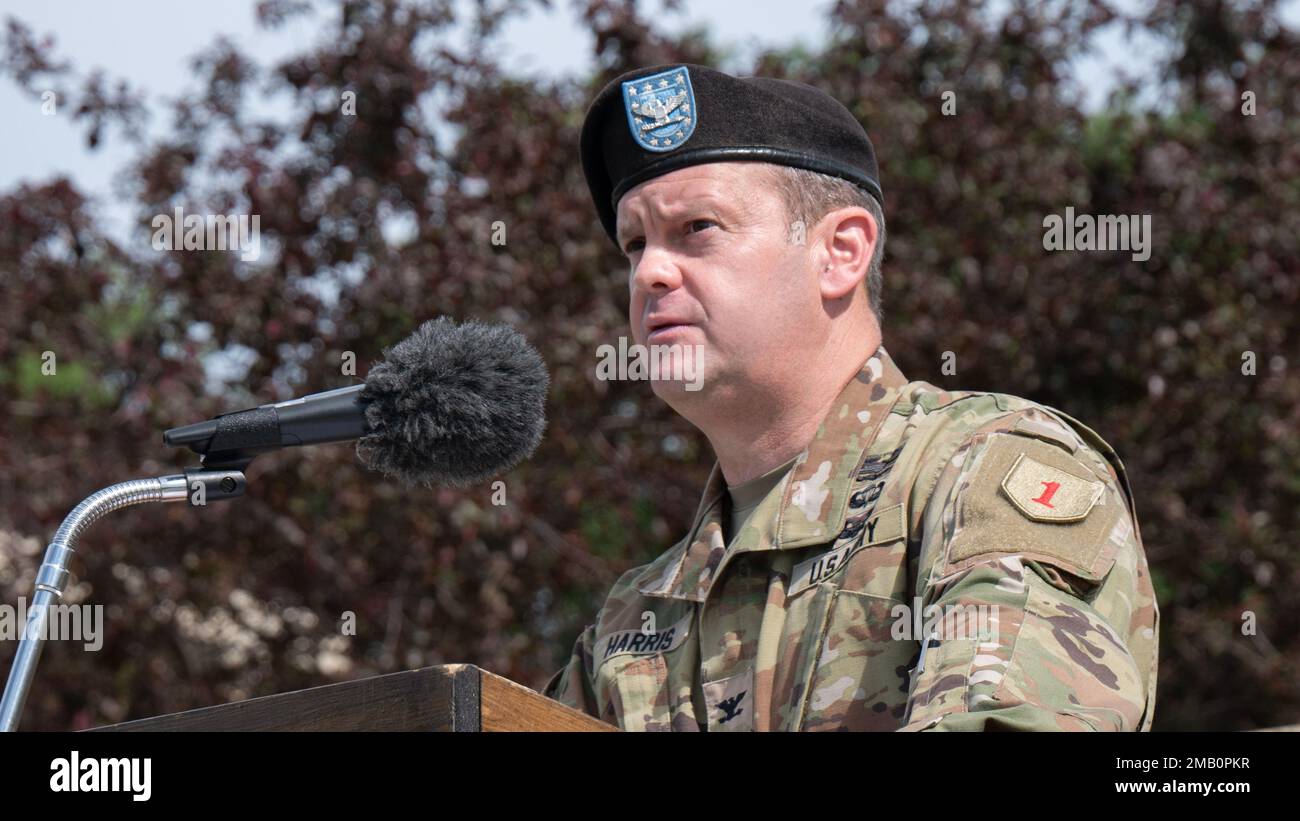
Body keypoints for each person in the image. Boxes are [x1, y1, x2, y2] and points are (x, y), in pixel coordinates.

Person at [543, 63, 1158, 731]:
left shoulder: (980, 472)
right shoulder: (633, 620)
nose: (650, 272)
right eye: (635, 243)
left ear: (840, 251)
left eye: (698, 228)